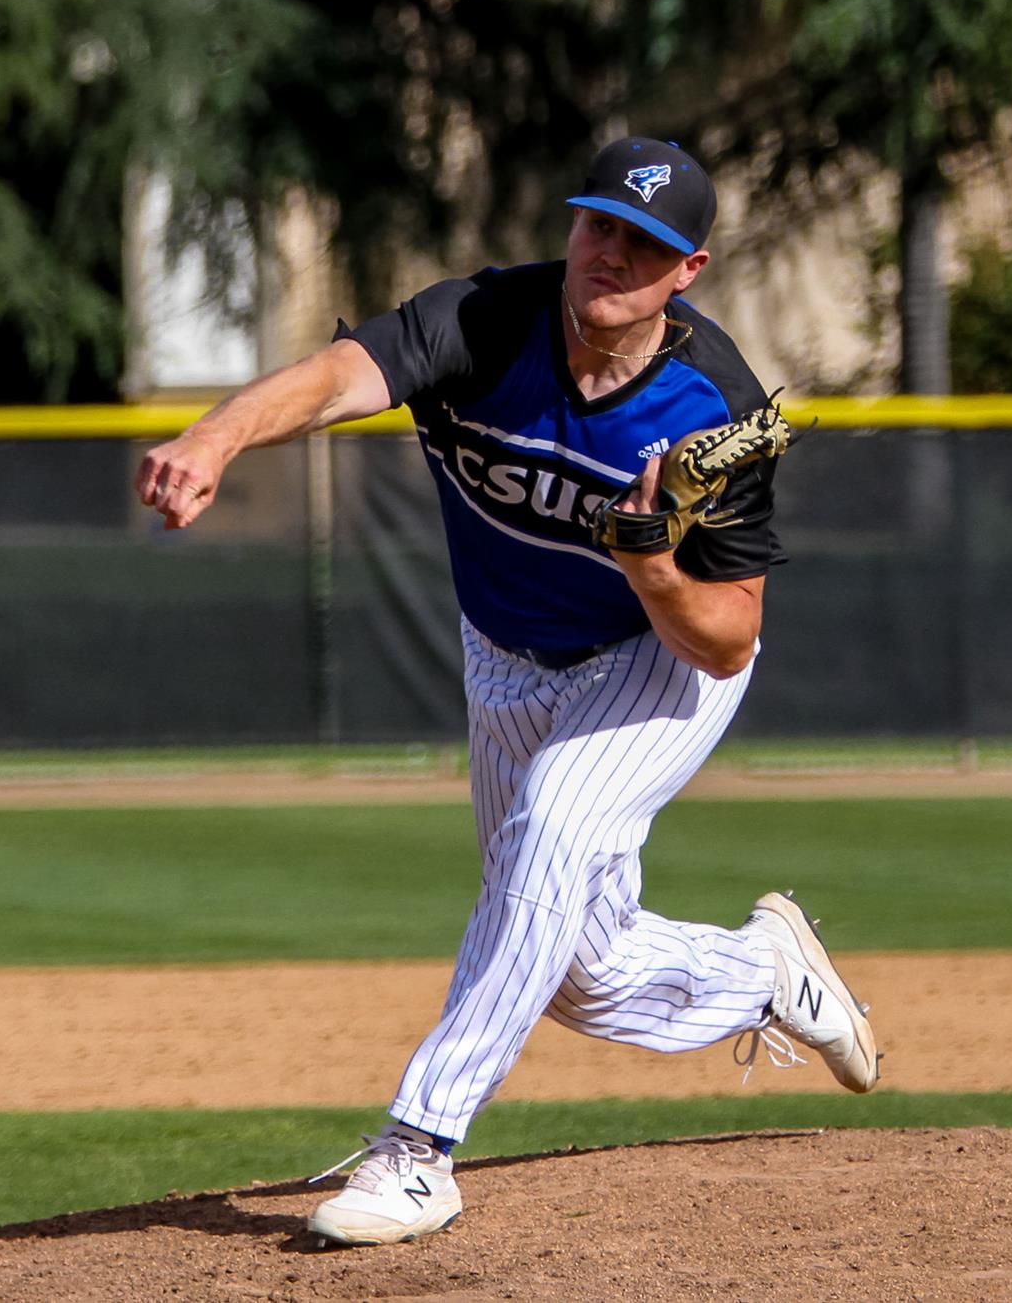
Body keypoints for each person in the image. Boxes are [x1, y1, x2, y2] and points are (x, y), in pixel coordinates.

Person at [136, 137, 879, 1247]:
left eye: (645, 244)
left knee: (554, 825)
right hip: (505, 657)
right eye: (598, 225)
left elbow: (728, 641)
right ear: (571, 226)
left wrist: (653, 565)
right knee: (580, 975)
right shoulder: (484, 323)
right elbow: (340, 377)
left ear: (689, 270)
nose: (611, 253)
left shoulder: (707, 409)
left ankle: (419, 1145)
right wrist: (217, 434)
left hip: (655, 657)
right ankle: (759, 968)